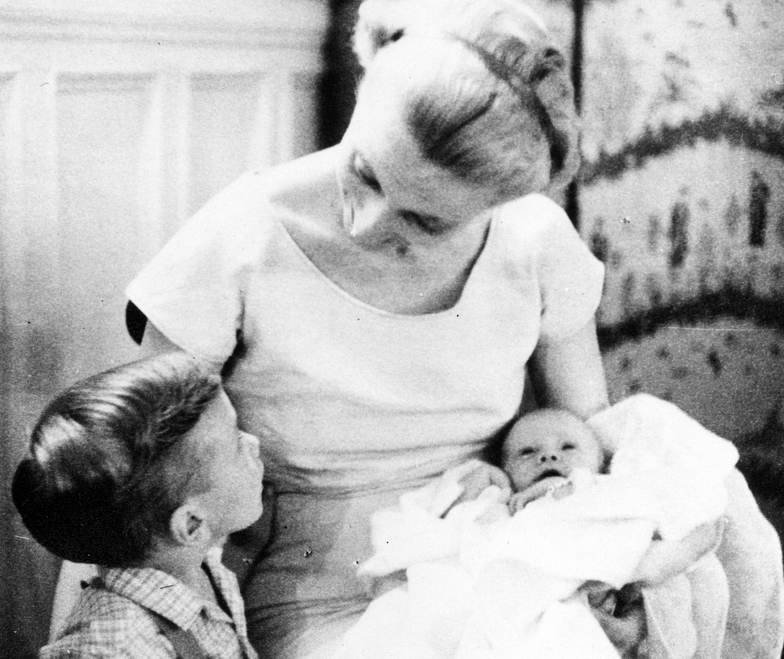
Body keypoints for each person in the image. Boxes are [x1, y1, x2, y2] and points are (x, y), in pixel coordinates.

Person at [123, 0, 729, 656]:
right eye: (364, 169)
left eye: (425, 219)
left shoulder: (534, 239)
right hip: (315, 583)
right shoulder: (238, 236)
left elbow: (587, 437)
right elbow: (142, 468)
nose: (365, 223)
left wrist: (613, 587)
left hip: (505, 554)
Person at [350, 398, 737, 659]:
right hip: (521, 589)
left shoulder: (604, 488)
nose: (548, 456)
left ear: (600, 462)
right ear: (506, 469)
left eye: (568, 448)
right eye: (527, 453)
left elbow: (674, 512)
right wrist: (473, 497)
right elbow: (449, 539)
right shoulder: (501, 504)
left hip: (592, 581)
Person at [11, 353, 263, 659]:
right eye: (237, 445)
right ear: (191, 525)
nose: (253, 442)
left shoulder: (196, 564)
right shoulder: (115, 645)